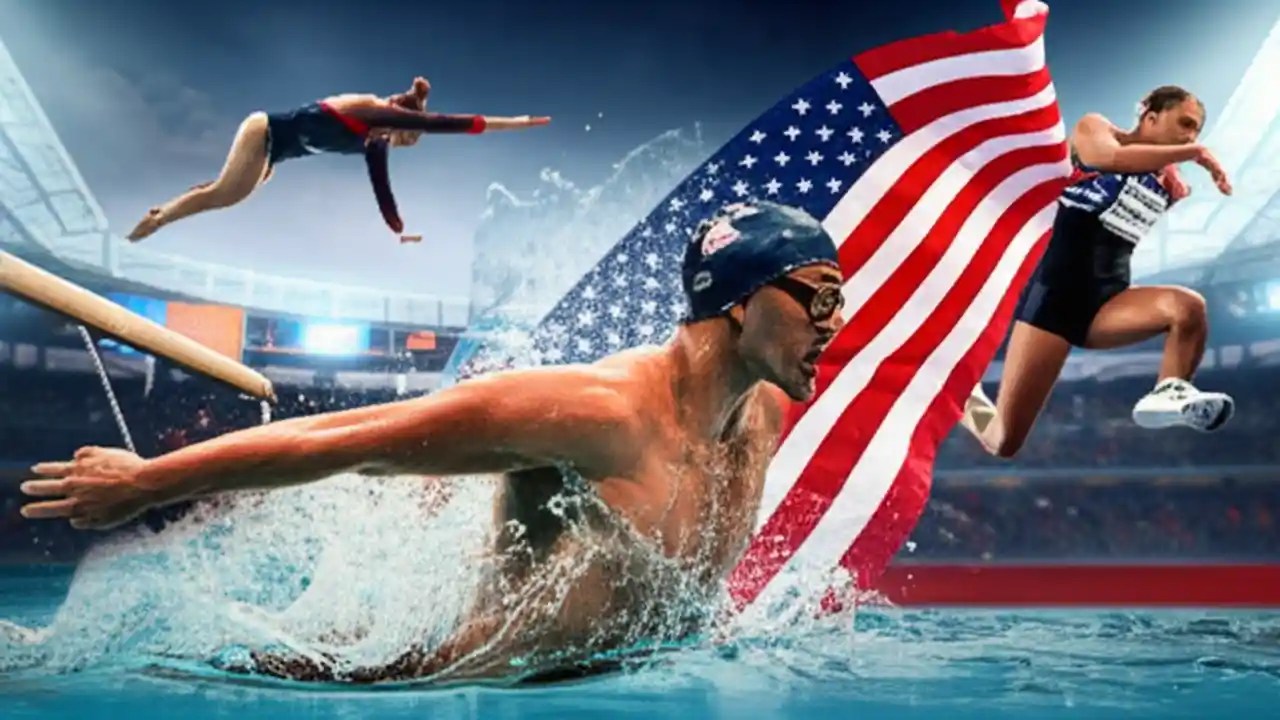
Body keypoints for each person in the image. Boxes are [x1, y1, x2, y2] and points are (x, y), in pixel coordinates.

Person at [20, 200, 847, 683]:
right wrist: (150, 479)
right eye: (819, 298)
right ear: (739, 299)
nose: (833, 323)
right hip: (443, 690)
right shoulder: (601, 413)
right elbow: (355, 439)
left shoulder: (761, 415)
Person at [960, 85, 1235, 458]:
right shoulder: (1096, 129)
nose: (1190, 136)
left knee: (1188, 307)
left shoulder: (1170, 182)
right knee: (1003, 441)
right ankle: (961, 396)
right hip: (1054, 298)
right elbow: (1110, 159)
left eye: (1197, 132)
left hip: (1109, 301)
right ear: (1150, 116)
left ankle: (1169, 390)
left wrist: (1175, 170)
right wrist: (1196, 153)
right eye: (1184, 124)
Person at [124, 77, 550, 243]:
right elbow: (452, 124)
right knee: (225, 195)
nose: (395, 145)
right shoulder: (374, 113)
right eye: (404, 138)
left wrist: (398, 228)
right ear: (402, 121)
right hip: (265, 132)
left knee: (230, 192)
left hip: (273, 152)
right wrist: (515, 122)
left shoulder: (377, 141)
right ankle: (158, 218)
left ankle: (191, 197)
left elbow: (381, 186)